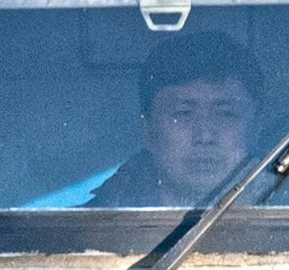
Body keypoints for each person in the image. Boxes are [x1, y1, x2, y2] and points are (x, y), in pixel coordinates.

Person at [49, 32, 261, 210]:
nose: (205, 136)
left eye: (226, 114)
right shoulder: (80, 235)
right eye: (183, 114)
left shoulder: (283, 215)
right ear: (148, 131)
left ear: (256, 127)